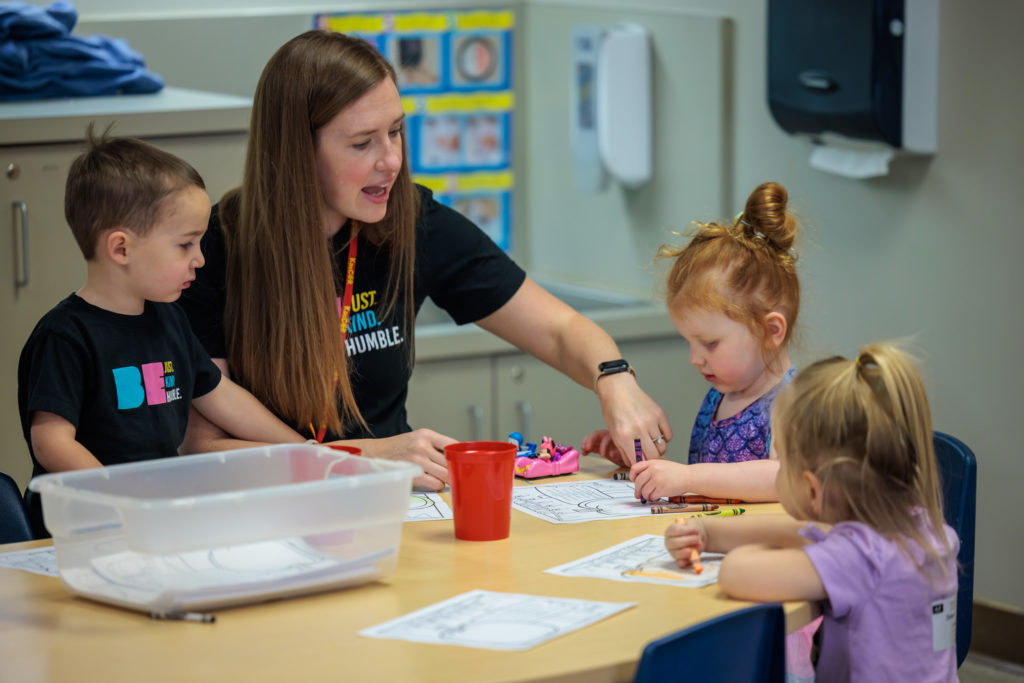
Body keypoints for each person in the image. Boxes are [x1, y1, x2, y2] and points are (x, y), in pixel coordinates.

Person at [176, 29, 670, 491]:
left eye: (396, 132)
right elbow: (203, 446)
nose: (390, 160)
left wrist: (615, 380)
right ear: (297, 153)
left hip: (396, 505)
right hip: (275, 506)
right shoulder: (215, 249)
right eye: (362, 143)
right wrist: (360, 458)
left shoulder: (410, 220)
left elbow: (559, 330)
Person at [17, 130, 305, 534]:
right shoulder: (64, 337)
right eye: (185, 245)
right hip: (84, 526)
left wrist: (302, 450)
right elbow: (51, 442)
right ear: (121, 249)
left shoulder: (169, 320)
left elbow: (222, 397)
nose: (200, 260)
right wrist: (122, 503)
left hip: (154, 519)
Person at [665, 344, 959, 681]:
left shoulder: (857, 557)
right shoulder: (919, 528)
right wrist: (708, 533)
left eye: (781, 464)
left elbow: (736, 573)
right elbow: (806, 534)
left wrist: (769, 543)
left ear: (812, 489)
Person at [582, 181, 800, 502]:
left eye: (709, 344)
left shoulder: (793, 403)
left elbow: (783, 478)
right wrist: (644, 462)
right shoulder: (720, 396)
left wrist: (686, 476)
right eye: (690, 343)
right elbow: (714, 482)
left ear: (771, 331)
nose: (695, 359)